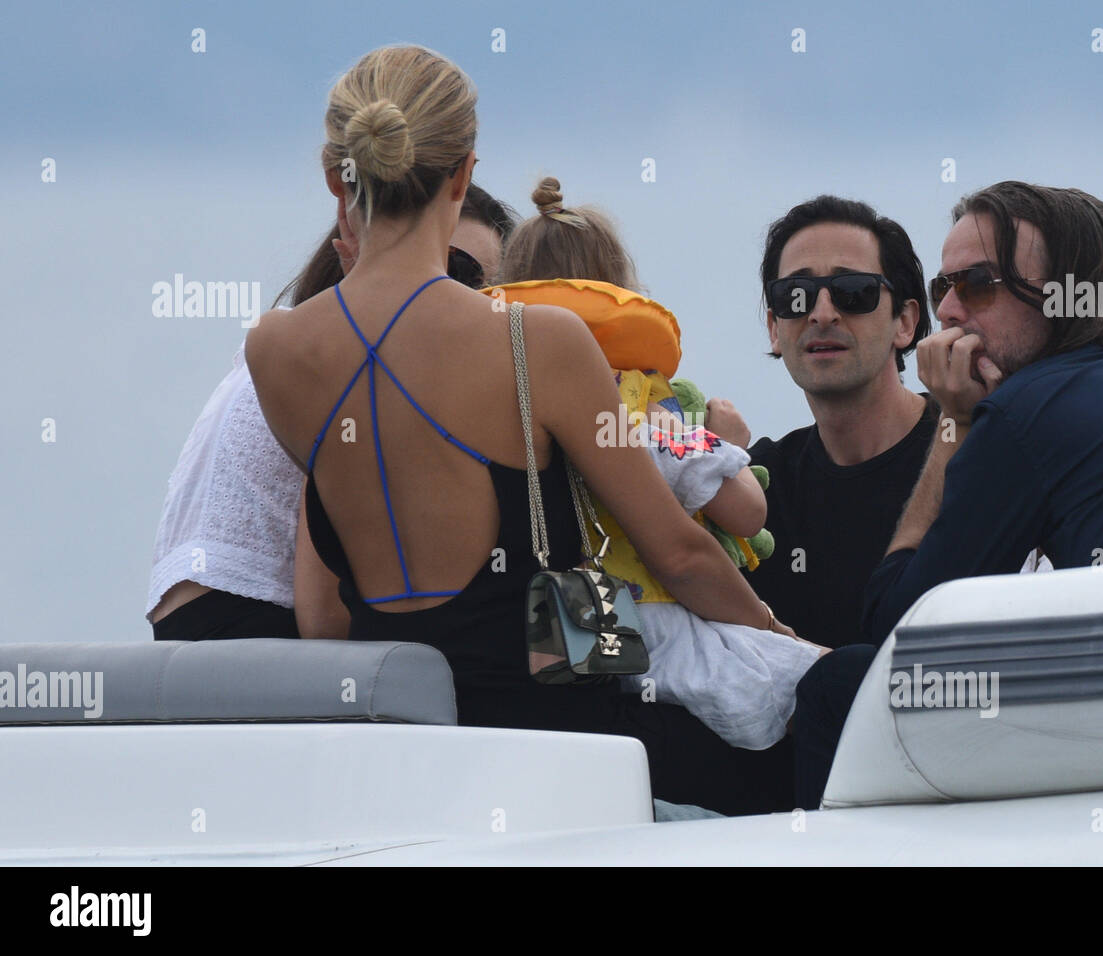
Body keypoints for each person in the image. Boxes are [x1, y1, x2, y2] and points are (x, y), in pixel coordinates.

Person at [246, 45, 797, 814]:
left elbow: (329, 611)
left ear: (339, 176)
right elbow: (681, 553)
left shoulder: (274, 349)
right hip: (564, 746)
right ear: (464, 174)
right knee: (813, 735)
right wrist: (783, 638)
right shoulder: (537, 341)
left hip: (404, 754)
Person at [794, 181, 1103, 808]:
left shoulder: (1025, 410)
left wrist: (957, 420)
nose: (948, 312)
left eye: (976, 285)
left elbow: (901, 629)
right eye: (940, 289)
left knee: (841, 682)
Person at [488, 176, 823, 750]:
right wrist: (727, 446)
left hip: (546, 640)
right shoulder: (638, 403)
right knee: (823, 682)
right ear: (620, 292)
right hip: (658, 628)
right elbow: (745, 513)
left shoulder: (492, 397)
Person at [146, 182, 514, 641]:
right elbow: (323, 619)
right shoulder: (346, 370)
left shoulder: (292, 346)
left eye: (485, 289)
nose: (459, 296)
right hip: (256, 619)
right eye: (454, 269)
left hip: (196, 625)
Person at [722, 196, 938, 649]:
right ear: (774, 329)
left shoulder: (970, 447)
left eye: (854, 291)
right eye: (794, 297)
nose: (822, 313)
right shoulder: (755, 486)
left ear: (905, 321)